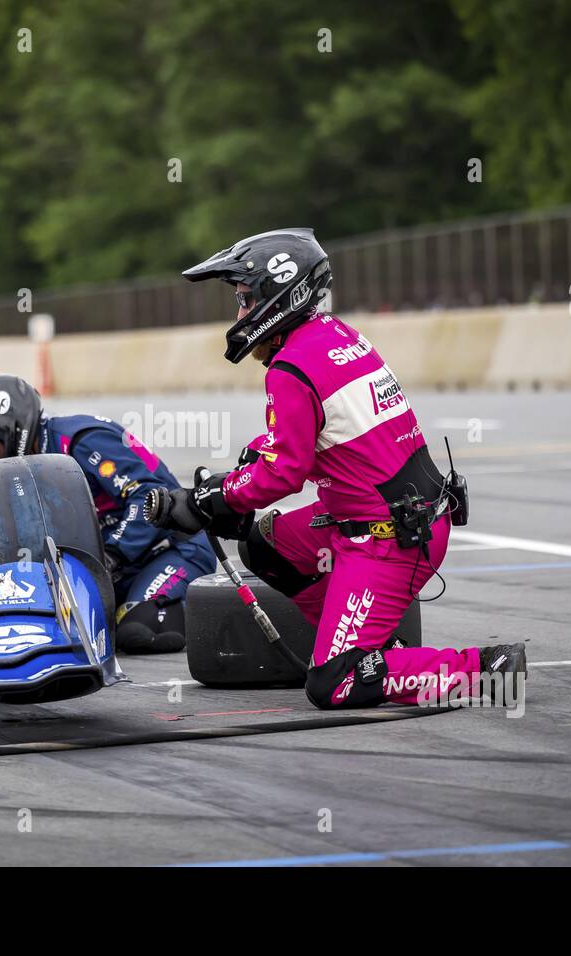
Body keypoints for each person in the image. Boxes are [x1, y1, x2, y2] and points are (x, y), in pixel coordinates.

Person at [146, 227, 526, 709]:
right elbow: (316, 438)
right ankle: (371, 651)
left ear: (277, 296)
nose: (239, 315)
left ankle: (483, 669)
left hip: (389, 539)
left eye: (244, 300)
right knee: (265, 544)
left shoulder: (289, 369)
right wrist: (241, 475)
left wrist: (213, 499)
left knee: (332, 686)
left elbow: (283, 472)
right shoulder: (335, 336)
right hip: (390, 519)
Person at [0, 372, 216, 654]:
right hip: (123, 568)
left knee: (136, 631)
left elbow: (148, 497)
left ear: (11, 427)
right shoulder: (32, 467)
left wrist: (111, 555)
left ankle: (217, 614)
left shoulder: (81, 441)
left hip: (176, 548)